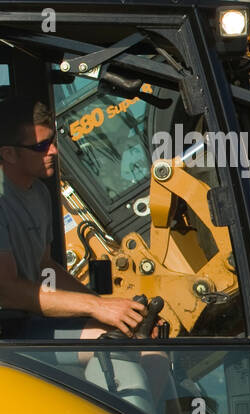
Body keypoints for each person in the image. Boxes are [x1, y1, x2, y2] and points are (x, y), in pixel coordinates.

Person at [0, 96, 145, 338]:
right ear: (9, 154)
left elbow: (45, 268)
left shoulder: (39, 192)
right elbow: (7, 291)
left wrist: (103, 305)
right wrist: (95, 307)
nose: (54, 150)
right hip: (8, 330)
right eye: (41, 146)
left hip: (31, 320)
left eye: (53, 141)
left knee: (135, 338)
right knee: (118, 347)